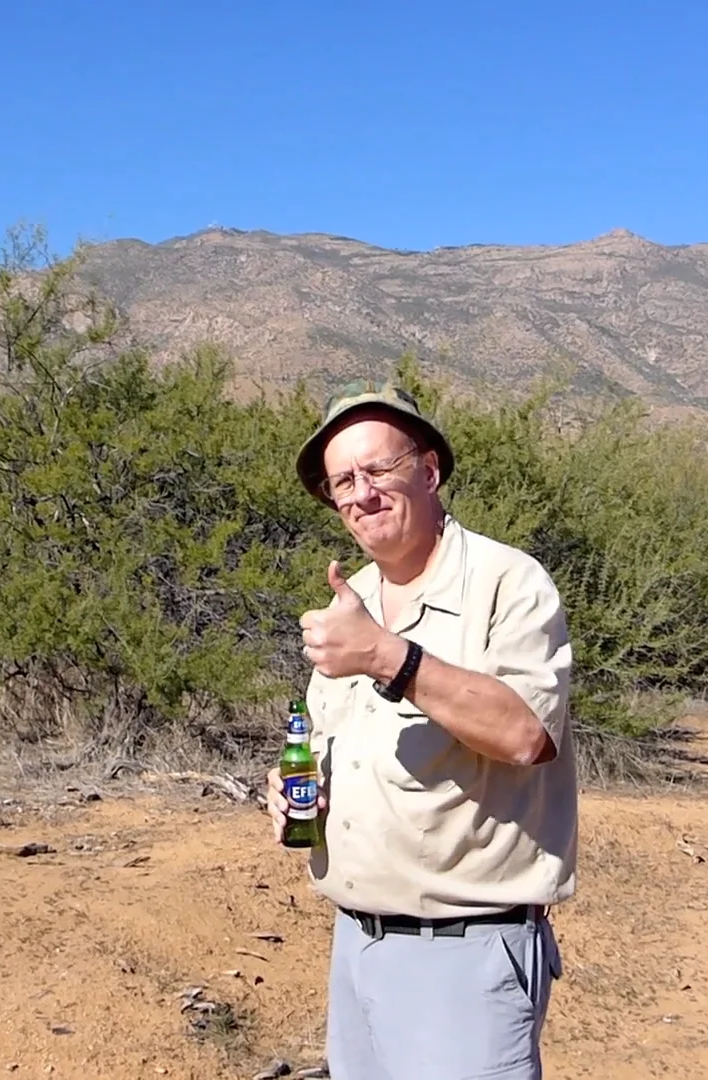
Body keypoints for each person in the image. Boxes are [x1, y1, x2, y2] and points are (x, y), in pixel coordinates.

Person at [265, 379, 579, 1080]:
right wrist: (290, 791)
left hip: (464, 955)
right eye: (341, 481)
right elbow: (319, 748)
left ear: (429, 470)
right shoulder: (354, 602)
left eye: (377, 470)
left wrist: (384, 654)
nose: (359, 494)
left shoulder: (508, 582)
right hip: (355, 943)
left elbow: (527, 734)